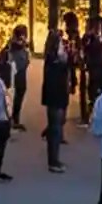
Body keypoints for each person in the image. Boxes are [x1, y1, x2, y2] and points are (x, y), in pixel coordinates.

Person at [41, 27, 70, 174]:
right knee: (55, 129)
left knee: (57, 125)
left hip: (59, 94)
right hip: (55, 95)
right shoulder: (53, 60)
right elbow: (58, 72)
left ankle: (54, 159)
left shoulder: (58, 58)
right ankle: (53, 161)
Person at [78, 17, 102, 126]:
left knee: (91, 93)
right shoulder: (89, 38)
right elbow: (84, 51)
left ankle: (89, 115)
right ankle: (86, 116)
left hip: (93, 69)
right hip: (91, 68)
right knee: (89, 93)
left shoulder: (95, 38)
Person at [6, 24, 30, 131]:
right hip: (17, 72)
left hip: (20, 72)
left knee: (19, 93)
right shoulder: (15, 45)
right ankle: (13, 119)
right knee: (17, 94)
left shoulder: (18, 44)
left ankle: (15, 118)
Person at [63, 12, 83, 126]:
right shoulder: (74, 34)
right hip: (70, 64)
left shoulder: (72, 35)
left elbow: (74, 49)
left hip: (69, 64)